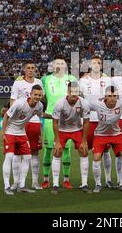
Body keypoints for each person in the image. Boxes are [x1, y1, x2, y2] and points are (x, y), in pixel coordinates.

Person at [1, 85, 52, 195]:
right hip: (10, 132)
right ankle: (7, 186)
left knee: (28, 157)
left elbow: (41, 114)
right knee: (9, 156)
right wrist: (3, 133)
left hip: (21, 132)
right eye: (35, 95)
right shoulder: (19, 103)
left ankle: (22, 185)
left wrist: (53, 116)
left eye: (39, 95)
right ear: (30, 94)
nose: (37, 97)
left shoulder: (39, 106)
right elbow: (6, 116)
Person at [41, 55, 77, 189]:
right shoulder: (45, 79)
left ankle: (66, 179)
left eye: (62, 63)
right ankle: (46, 179)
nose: (59, 65)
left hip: (67, 120)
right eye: (57, 63)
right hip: (50, 119)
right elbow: (35, 92)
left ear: (65, 66)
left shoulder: (72, 79)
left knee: (66, 150)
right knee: (49, 149)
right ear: (53, 65)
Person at [79, 55, 114, 188]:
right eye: (94, 63)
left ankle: (108, 179)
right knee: (85, 150)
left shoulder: (108, 80)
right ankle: (84, 182)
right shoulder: (83, 81)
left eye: (99, 63)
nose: (96, 65)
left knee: (105, 151)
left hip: (103, 121)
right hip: (88, 120)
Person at [89, 86, 122, 193]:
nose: (112, 98)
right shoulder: (97, 104)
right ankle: (98, 184)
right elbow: (84, 106)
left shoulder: (121, 104)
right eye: (109, 96)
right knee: (96, 157)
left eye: (114, 96)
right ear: (105, 97)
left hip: (116, 134)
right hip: (100, 135)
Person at [51, 82, 92, 194]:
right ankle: (55, 184)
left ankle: (84, 184)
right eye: (71, 91)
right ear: (67, 92)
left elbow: (87, 123)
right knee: (57, 152)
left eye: (76, 91)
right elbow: (55, 122)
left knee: (84, 152)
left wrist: (84, 141)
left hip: (77, 130)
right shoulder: (59, 103)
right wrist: (57, 141)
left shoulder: (84, 103)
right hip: (62, 130)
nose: (73, 94)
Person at [10, 61, 44, 190]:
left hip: (34, 121)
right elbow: (13, 101)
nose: (30, 70)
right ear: (24, 69)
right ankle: (16, 182)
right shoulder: (18, 82)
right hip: (20, 123)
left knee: (35, 151)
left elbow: (41, 101)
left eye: (33, 68)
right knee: (18, 153)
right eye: (28, 68)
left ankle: (35, 181)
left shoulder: (39, 82)